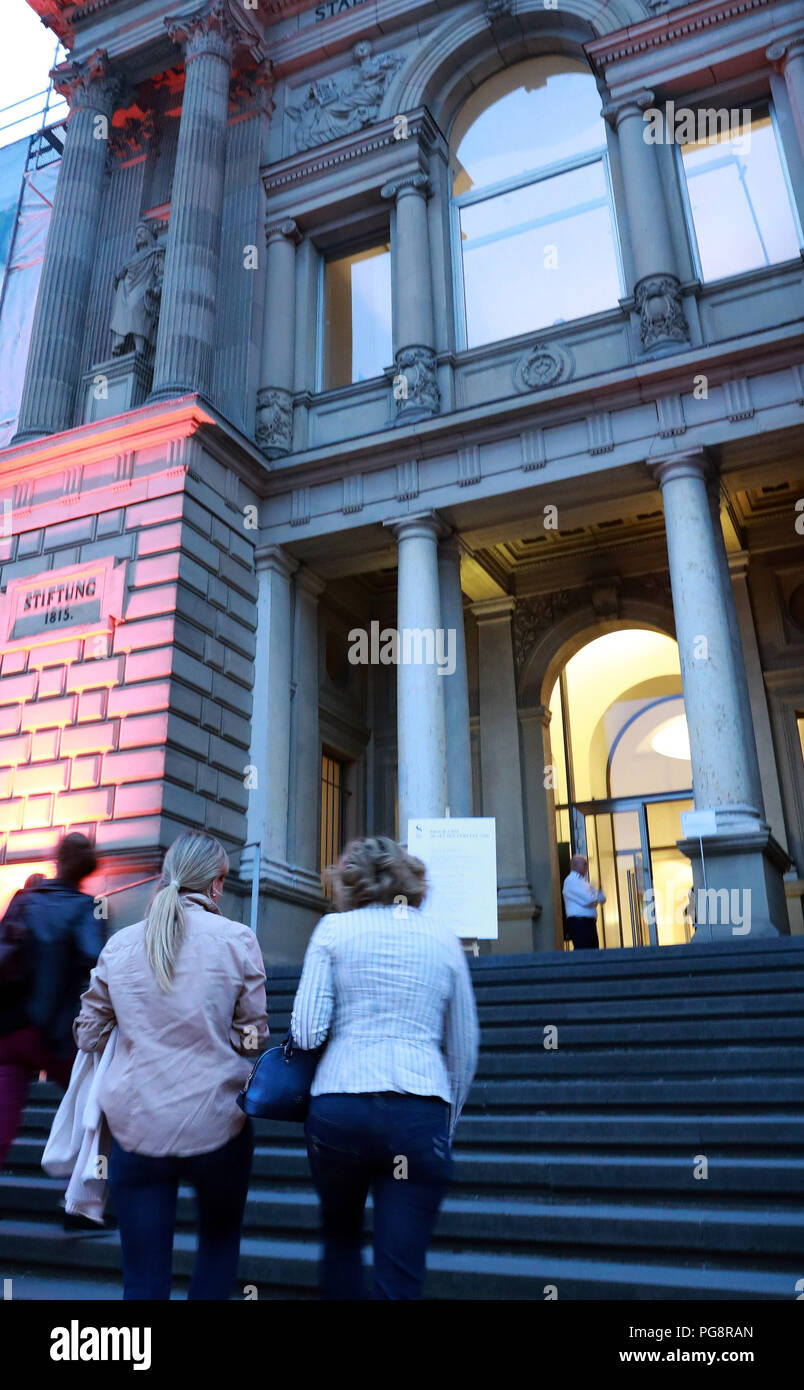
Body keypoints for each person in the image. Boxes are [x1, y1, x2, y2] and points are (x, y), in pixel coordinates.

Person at [73, 831, 268, 1301]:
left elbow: (87, 1033)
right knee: (218, 1249)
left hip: (136, 1126)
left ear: (166, 877)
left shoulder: (121, 944)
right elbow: (254, 1037)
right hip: (218, 1122)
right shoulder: (238, 939)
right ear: (217, 884)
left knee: (142, 1274)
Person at [291, 835, 479, 1301]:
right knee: (402, 1266)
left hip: (340, 1107)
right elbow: (465, 1047)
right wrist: (444, 1119)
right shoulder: (443, 939)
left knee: (340, 1242)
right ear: (409, 880)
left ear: (348, 881)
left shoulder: (333, 931)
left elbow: (308, 1031)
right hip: (420, 1110)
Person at [0, 835, 101, 1170]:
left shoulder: (23, 900)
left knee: (3, 1120)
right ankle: (81, 1203)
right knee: (94, 1108)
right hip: (56, 1032)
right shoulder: (86, 907)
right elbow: (97, 960)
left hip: (11, 1029)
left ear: (57, 860)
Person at [562, 853, 606, 950]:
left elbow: (602, 898)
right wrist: (596, 895)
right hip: (579, 923)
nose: (587, 867)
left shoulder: (585, 882)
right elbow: (588, 900)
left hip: (590, 923)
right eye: (585, 864)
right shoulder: (570, 881)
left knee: (593, 953)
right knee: (584, 953)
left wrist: (596, 895)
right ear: (575, 864)